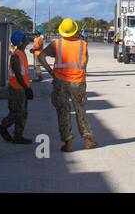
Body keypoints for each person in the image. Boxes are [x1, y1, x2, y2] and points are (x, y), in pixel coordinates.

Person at [36, 18, 97, 152]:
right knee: (81, 110)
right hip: (78, 81)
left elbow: (40, 57)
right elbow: (85, 62)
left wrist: (51, 72)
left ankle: (68, 142)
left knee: (63, 111)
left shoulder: (56, 44)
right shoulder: (83, 44)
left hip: (60, 82)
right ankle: (88, 140)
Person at [0, 30, 34, 144]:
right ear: (21, 42)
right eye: (25, 38)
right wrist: (26, 88)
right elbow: (18, 75)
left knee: (23, 113)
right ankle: (3, 127)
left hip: (22, 88)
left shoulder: (21, 53)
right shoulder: (16, 56)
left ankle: (18, 135)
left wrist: (27, 87)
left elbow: (23, 74)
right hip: (17, 89)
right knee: (16, 112)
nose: (27, 39)